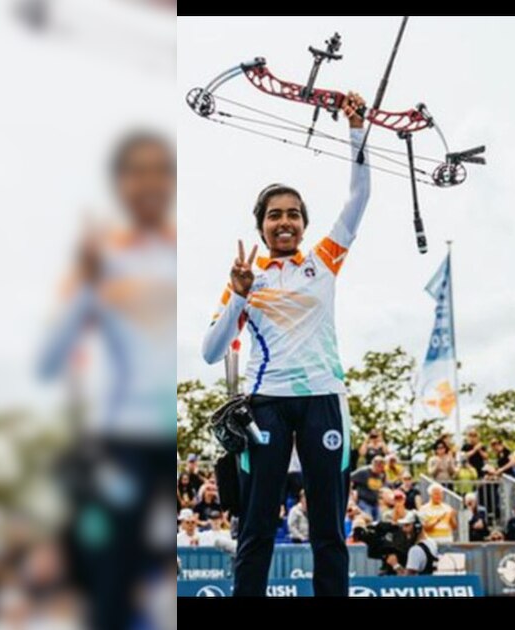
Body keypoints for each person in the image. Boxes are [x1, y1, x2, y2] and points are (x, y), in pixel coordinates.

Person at [200, 91, 372, 598]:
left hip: (324, 400)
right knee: (255, 531)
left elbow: (359, 197)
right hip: (265, 407)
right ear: (261, 226)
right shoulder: (246, 281)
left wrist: (356, 128)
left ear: (303, 223)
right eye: (274, 215)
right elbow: (211, 351)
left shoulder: (325, 259)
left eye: (293, 214)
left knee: (328, 533)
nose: (284, 222)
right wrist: (237, 294)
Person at [38, 129, 178, 630]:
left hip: (176, 443)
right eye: (137, 170)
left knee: (167, 583)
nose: (150, 181)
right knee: (114, 577)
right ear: (120, 183)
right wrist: (85, 281)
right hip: (123, 442)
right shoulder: (104, 259)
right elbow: (49, 360)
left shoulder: (184, 251)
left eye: (160, 168)